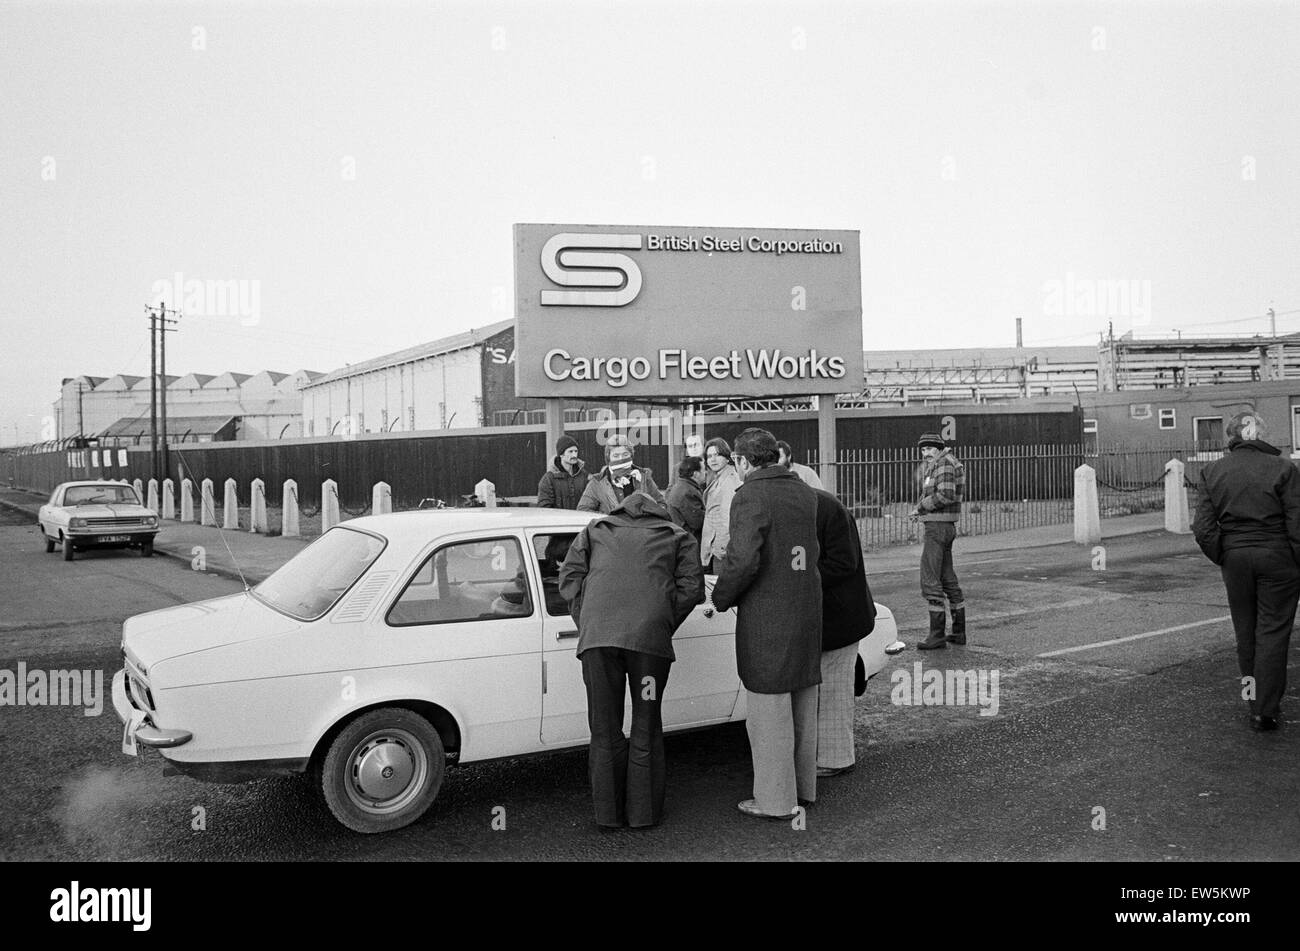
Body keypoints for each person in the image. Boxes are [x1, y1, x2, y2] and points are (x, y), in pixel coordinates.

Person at [558, 492, 705, 828]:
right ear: (660, 510)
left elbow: (569, 579)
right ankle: (643, 815)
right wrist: (663, 620)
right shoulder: (676, 535)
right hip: (648, 647)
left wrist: (589, 621)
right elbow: (693, 588)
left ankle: (608, 815)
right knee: (646, 724)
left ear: (619, 509)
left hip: (597, 644)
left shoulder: (595, 529)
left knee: (604, 726)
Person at [711, 428, 823, 819]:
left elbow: (743, 560)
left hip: (768, 619)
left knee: (769, 712)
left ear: (742, 461)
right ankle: (803, 790)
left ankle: (776, 801)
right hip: (806, 611)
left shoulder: (750, 495)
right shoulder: (803, 491)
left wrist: (720, 597)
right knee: (802, 705)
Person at [1192, 411, 1300, 732]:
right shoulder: (1284, 469)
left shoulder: (1212, 471)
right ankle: (1265, 710)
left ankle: (1251, 697)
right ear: (1260, 435)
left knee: (1245, 633)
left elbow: (1203, 529)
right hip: (1278, 559)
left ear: (1231, 438)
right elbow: (1297, 525)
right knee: (1273, 632)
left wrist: (1225, 554)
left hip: (1236, 560)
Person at [812, 487, 876, 777]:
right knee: (829, 689)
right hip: (836, 615)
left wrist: (798, 575)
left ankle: (836, 759)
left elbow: (843, 563)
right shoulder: (819, 504)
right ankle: (828, 754)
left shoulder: (825, 508)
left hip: (841, 617)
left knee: (835, 689)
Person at [911, 432, 966, 650]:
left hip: (938, 528)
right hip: (944, 525)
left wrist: (921, 507)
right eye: (923, 450)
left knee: (930, 579)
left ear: (938, 448)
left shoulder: (943, 463)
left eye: (929, 449)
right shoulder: (946, 462)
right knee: (947, 578)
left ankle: (937, 635)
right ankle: (959, 631)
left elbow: (945, 495)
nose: (925, 454)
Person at [577, 434, 664, 514]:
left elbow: (661, 504)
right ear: (608, 458)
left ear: (631, 455)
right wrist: (608, 519)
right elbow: (583, 510)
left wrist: (648, 517)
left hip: (640, 529)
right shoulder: (597, 482)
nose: (621, 459)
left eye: (625, 455)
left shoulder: (643, 477)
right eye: (616, 456)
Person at [700, 436, 742, 573]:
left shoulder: (729, 481)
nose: (712, 459)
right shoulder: (719, 478)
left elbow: (728, 519)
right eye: (709, 456)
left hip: (721, 553)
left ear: (726, 456)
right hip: (717, 550)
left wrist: (722, 549)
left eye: (717, 455)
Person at [536, 435, 589, 509]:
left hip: (581, 519)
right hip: (559, 520)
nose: (574, 455)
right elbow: (545, 508)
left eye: (576, 451)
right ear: (561, 454)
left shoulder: (583, 475)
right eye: (570, 451)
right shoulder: (548, 479)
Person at [665, 455, 706, 543]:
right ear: (695, 474)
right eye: (703, 470)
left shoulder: (682, 487)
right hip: (688, 544)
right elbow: (697, 522)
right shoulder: (687, 492)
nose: (705, 472)